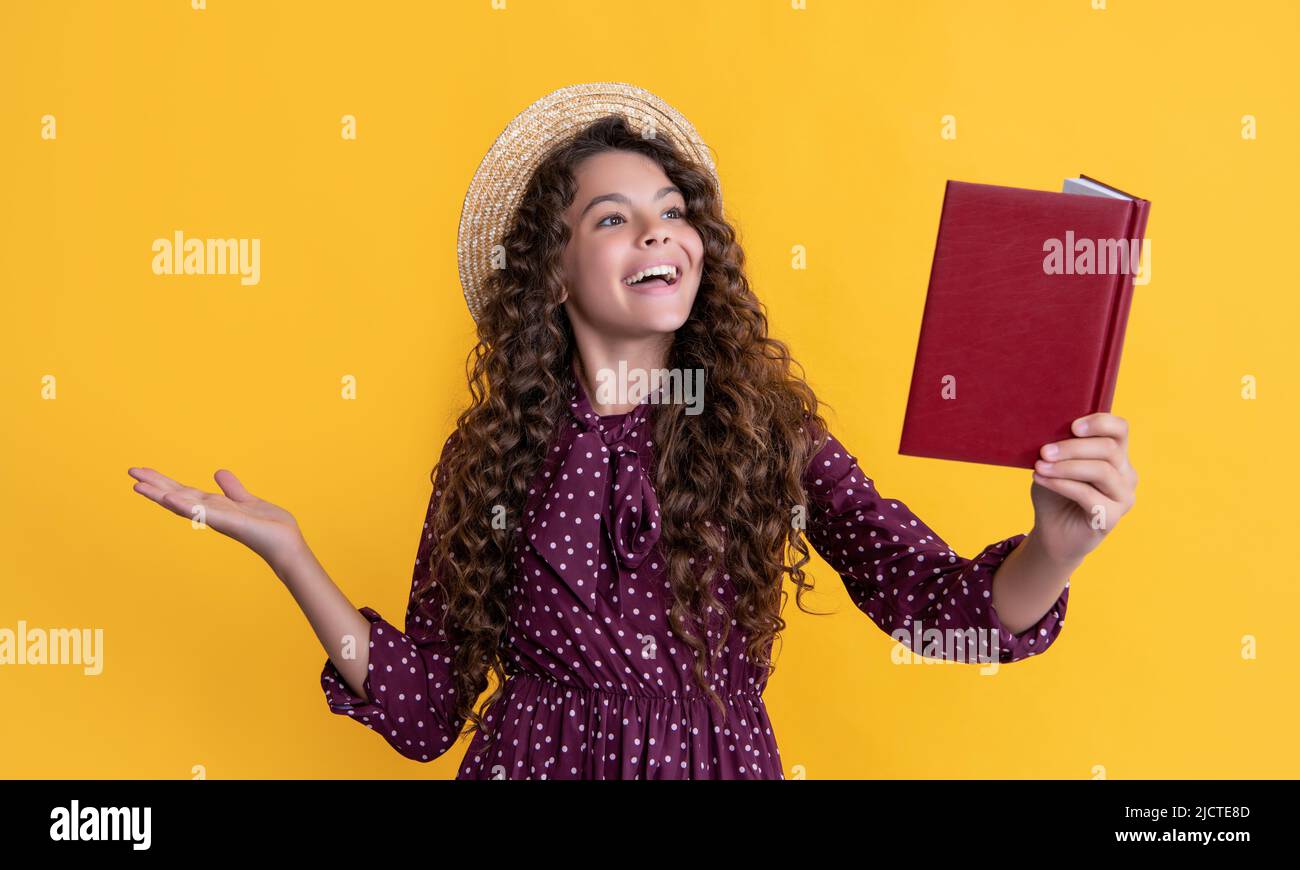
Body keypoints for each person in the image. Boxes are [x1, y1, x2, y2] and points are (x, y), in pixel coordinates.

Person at [127, 83, 1138, 779]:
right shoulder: (489, 458)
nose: (655, 229)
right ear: (551, 272)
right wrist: (290, 554)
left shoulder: (762, 434)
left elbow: (932, 609)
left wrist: (1055, 547)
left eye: (670, 209)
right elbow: (430, 711)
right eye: (609, 218)